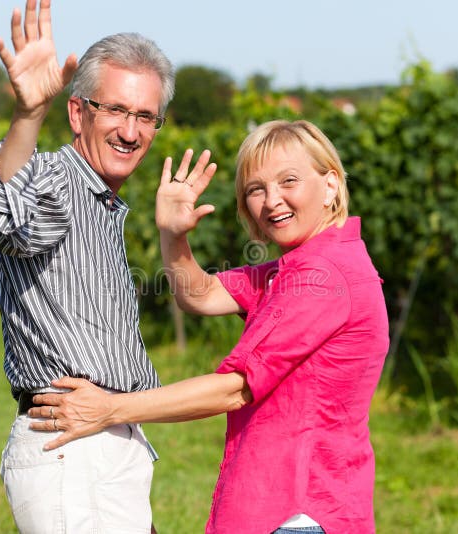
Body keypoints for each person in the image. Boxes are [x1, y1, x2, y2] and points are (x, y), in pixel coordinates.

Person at [29, 120, 390, 533]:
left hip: (296, 512)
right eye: (256, 189)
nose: (272, 200)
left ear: (330, 185)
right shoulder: (300, 268)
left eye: (288, 180)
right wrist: (173, 235)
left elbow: (236, 388)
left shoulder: (323, 277)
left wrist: (109, 409)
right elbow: (200, 294)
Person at [0, 0, 174, 531]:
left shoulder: (104, 204)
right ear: (78, 113)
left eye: (145, 116)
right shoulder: (56, 182)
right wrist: (28, 114)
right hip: (71, 449)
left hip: (111, 447)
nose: (130, 131)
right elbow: (5, 219)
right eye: (116, 110)